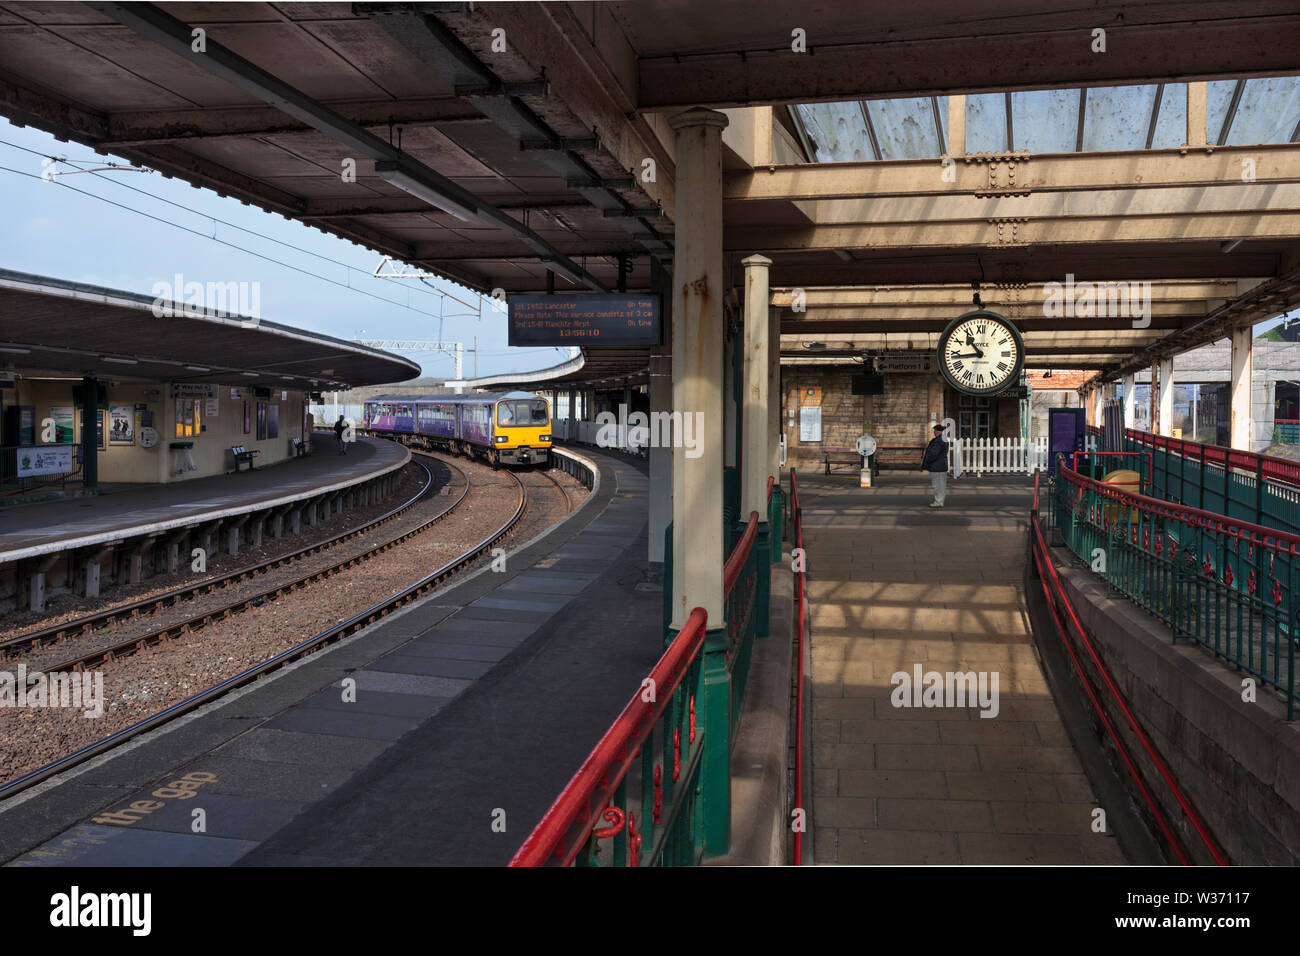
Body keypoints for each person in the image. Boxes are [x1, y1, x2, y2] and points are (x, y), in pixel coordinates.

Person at [920, 422, 949, 507]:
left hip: (937, 466)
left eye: (935, 430)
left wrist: (927, 461)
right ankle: (940, 501)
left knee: (937, 486)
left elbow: (933, 454)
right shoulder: (943, 439)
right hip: (941, 466)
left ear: (938, 431)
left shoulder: (938, 441)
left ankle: (938, 502)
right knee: (941, 485)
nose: (934, 432)